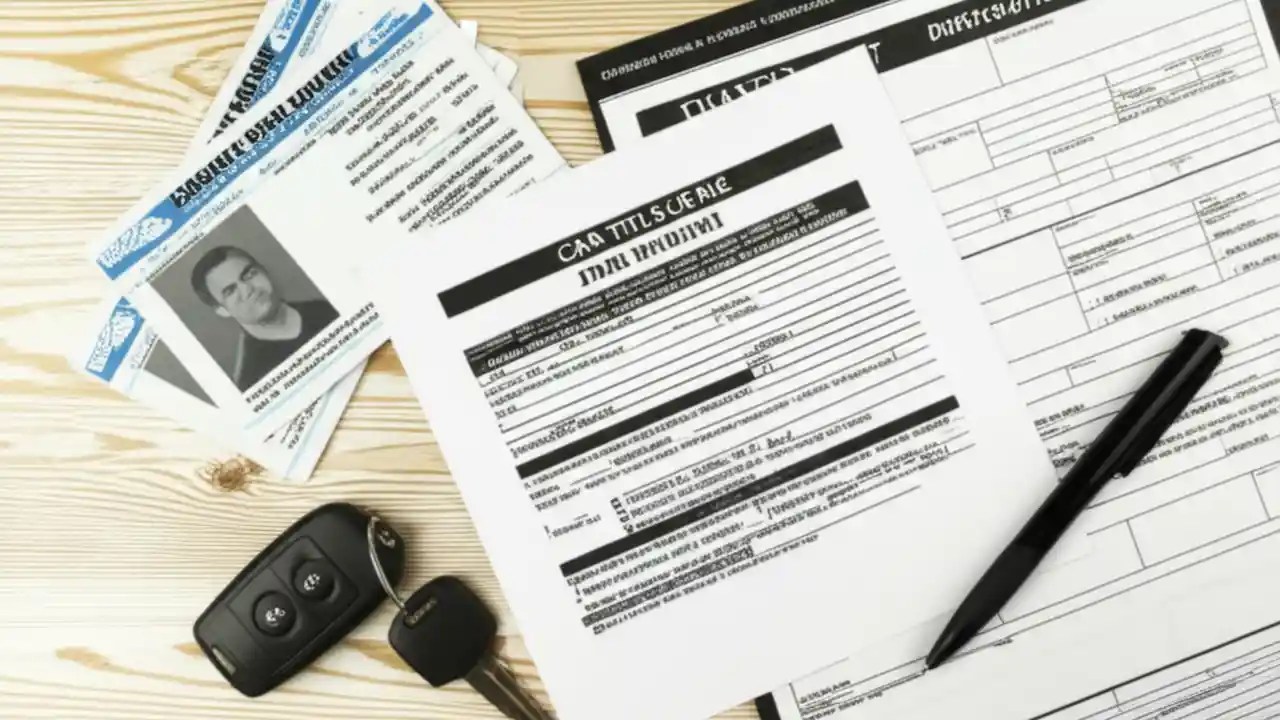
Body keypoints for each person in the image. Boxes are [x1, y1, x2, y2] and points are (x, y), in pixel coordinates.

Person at [191, 245, 337, 391]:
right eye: (230, 291)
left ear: (265, 271)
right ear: (222, 310)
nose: (248, 289)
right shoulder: (253, 381)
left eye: (249, 275)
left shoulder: (326, 308)